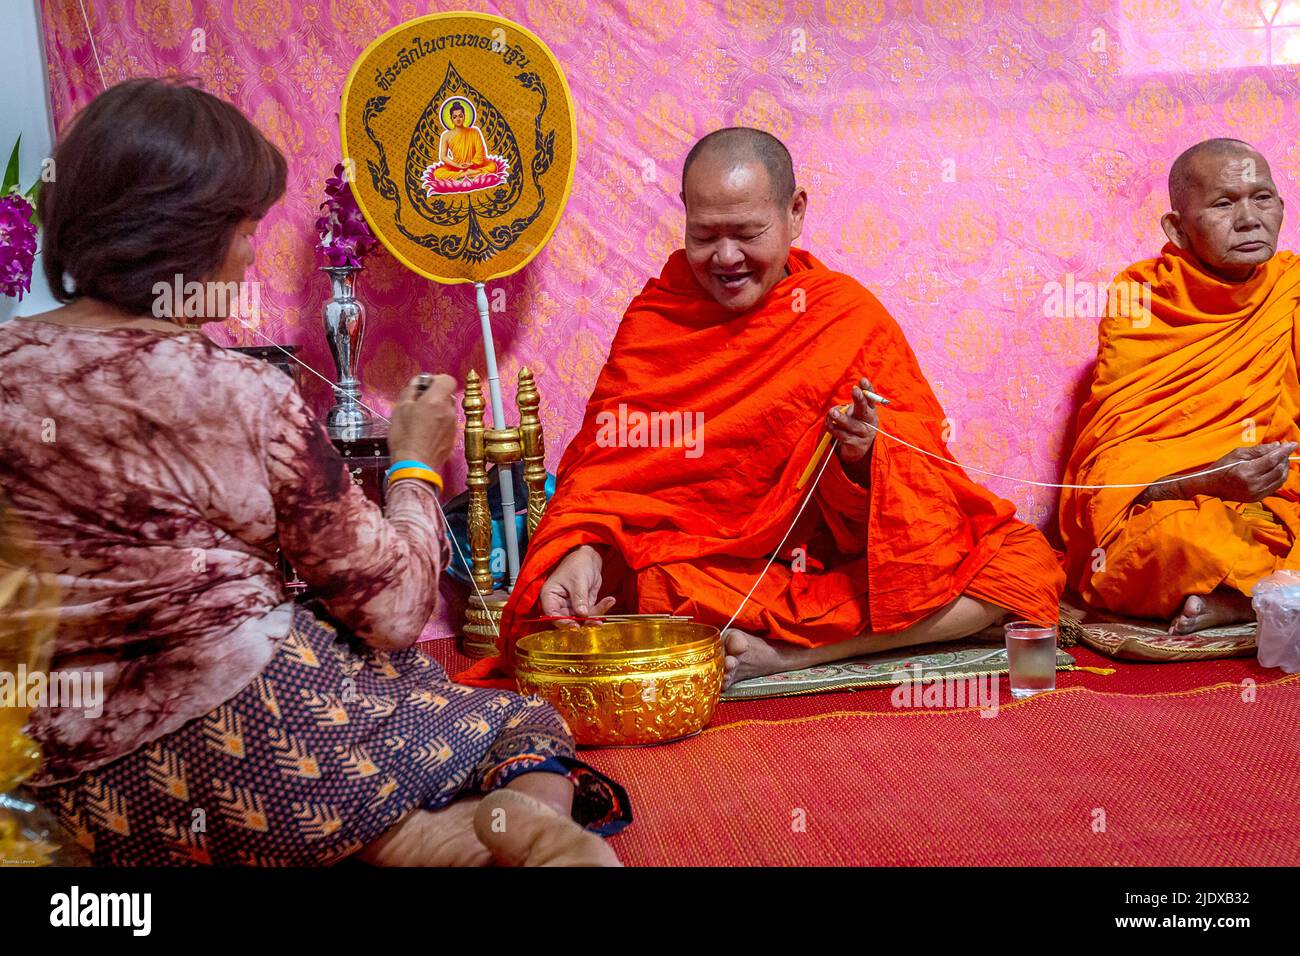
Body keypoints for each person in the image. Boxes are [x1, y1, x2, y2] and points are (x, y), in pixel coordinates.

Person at [0, 78, 627, 866]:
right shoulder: (239, 391)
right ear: (186, 236)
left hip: (65, 792)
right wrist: (413, 465)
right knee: (515, 718)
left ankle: (390, 835)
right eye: (246, 226)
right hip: (259, 747)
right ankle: (516, 846)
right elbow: (394, 611)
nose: (253, 251)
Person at [462, 127, 1064, 689]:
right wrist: (584, 552)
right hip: (713, 573)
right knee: (650, 587)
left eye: (748, 234)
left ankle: (801, 655)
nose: (725, 258)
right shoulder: (657, 321)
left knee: (1018, 564)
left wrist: (864, 456)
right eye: (704, 235)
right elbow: (606, 477)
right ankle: (817, 639)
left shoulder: (843, 315)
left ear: (795, 213)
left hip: (829, 565)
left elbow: (929, 495)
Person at [1060, 137, 1300, 634]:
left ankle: (1241, 602)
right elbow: (1114, 473)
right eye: (1222, 203)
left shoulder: (1292, 288)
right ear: (1177, 228)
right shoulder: (1143, 300)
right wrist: (1208, 480)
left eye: (1263, 197)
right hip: (1186, 508)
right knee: (1170, 543)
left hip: (1282, 505)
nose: (1250, 219)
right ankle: (1268, 598)